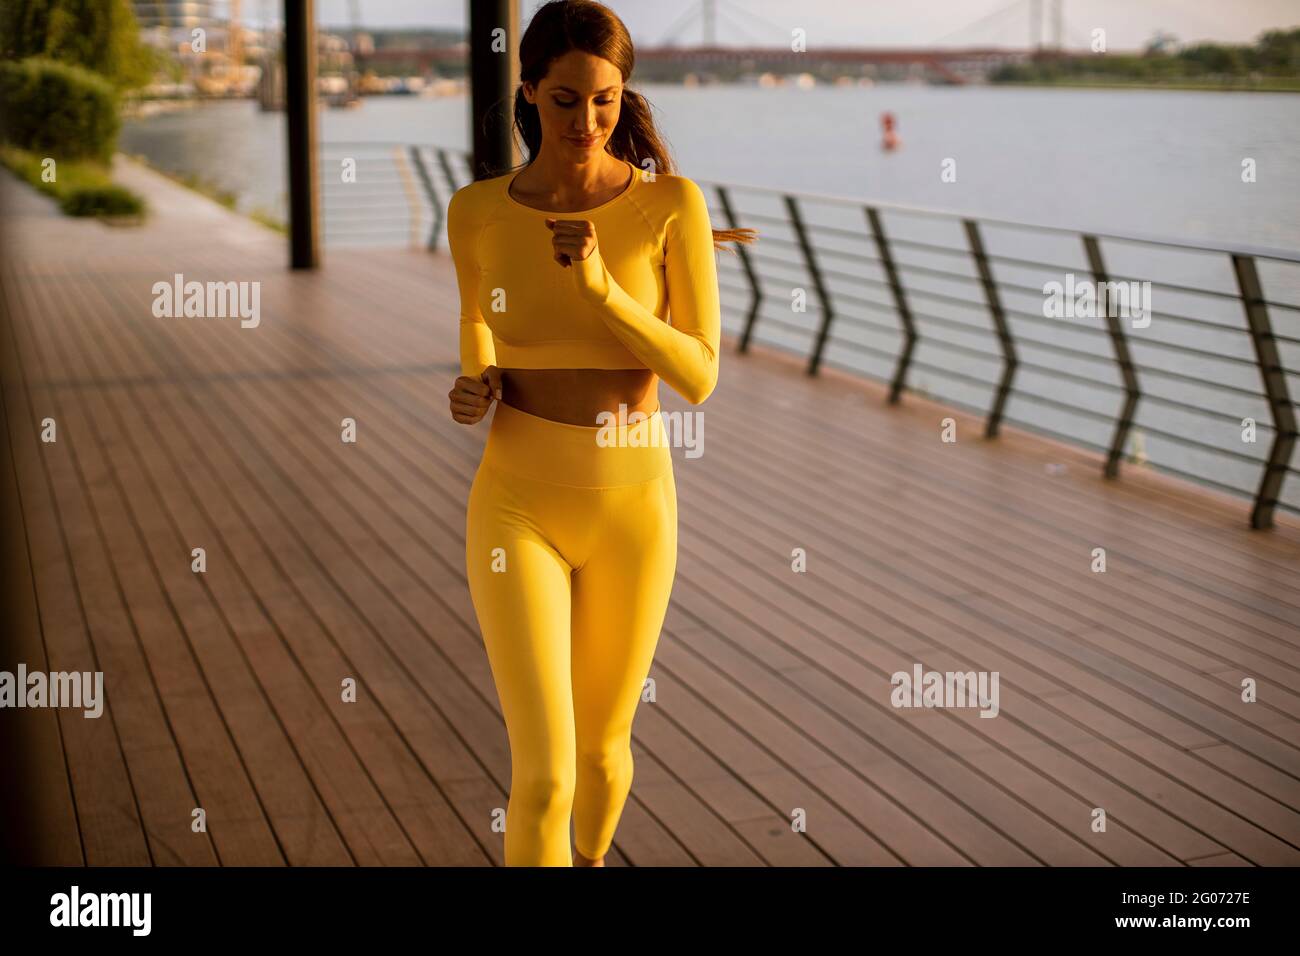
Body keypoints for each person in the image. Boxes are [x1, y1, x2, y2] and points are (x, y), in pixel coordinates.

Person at [445, 0, 757, 867]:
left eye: (606, 101)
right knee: (543, 774)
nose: (586, 121)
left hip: (632, 507)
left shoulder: (671, 206)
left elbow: (698, 375)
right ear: (530, 91)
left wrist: (603, 297)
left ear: (625, 96)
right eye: (565, 99)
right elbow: (478, 323)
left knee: (602, 753)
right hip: (515, 504)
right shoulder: (476, 210)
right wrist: (477, 382)